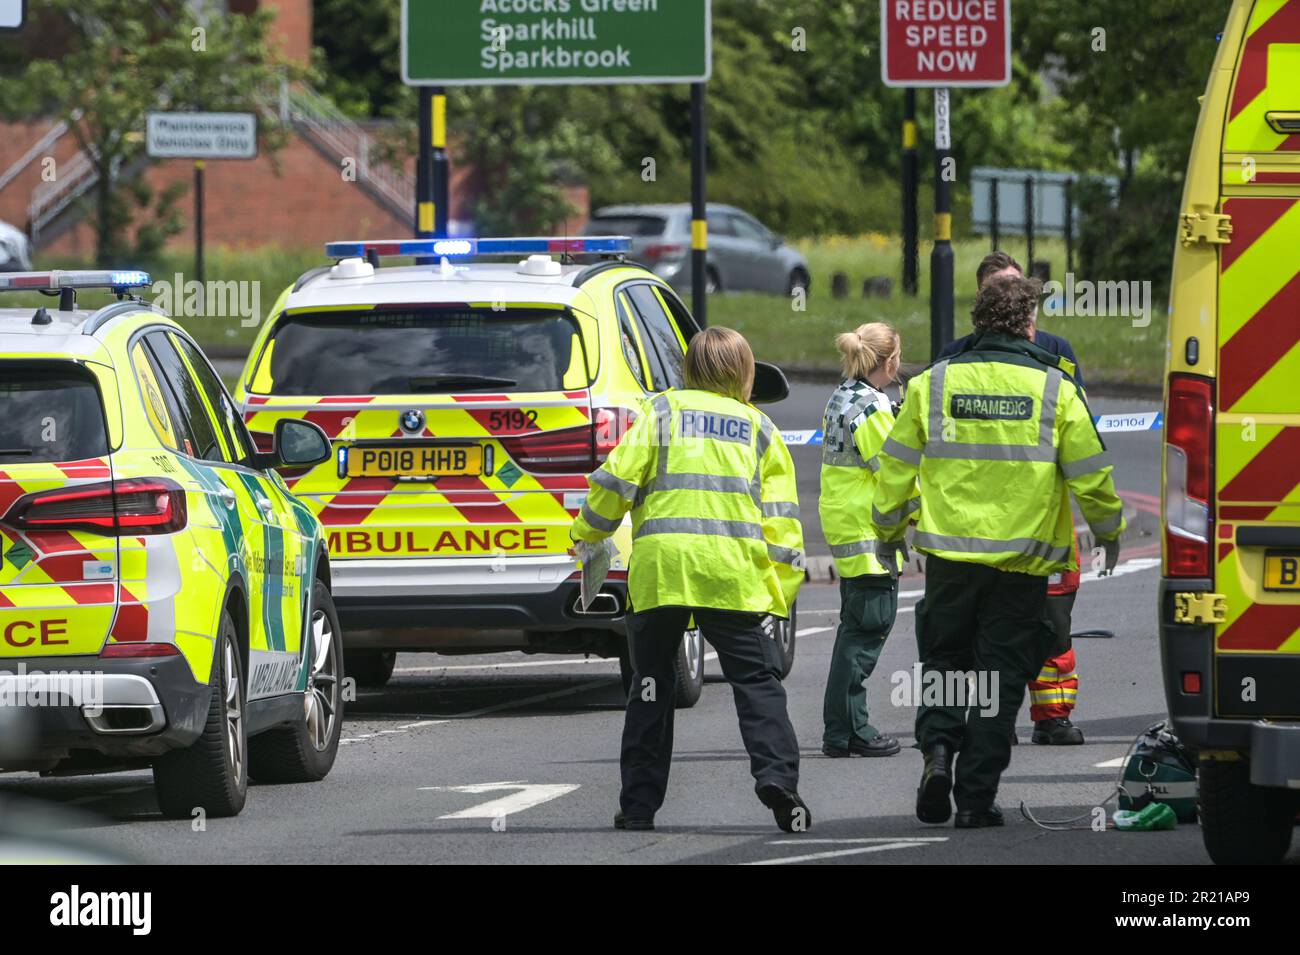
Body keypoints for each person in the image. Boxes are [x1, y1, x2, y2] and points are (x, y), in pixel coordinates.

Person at [872, 274, 1125, 828]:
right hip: (1021, 565)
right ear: (1029, 323)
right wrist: (1109, 531)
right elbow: (1090, 477)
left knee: (944, 663)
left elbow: (894, 470)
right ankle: (975, 801)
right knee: (999, 680)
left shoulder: (931, 385)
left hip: (949, 561)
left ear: (977, 321)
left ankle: (937, 752)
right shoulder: (1057, 389)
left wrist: (887, 533)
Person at [570, 326, 810, 833]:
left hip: (663, 574)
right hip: (734, 576)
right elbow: (783, 525)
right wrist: (779, 596)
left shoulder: (661, 414)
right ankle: (778, 781)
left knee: (651, 686)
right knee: (757, 685)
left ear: (690, 370)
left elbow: (615, 483)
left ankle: (637, 807)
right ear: (744, 373)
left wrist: (588, 532)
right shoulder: (760, 428)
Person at [940, 251, 1088, 747]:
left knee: (1052, 626)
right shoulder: (953, 359)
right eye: (999, 289)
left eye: (1017, 288)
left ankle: (1051, 717)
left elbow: (1079, 436)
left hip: (1040, 523)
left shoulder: (1059, 355)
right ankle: (981, 723)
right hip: (978, 526)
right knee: (983, 633)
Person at [818, 323, 913, 758]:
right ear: (890, 362)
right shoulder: (871, 409)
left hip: (848, 528)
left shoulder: (844, 396)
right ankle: (849, 730)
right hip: (869, 533)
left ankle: (841, 730)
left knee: (853, 630)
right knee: (865, 634)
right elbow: (892, 474)